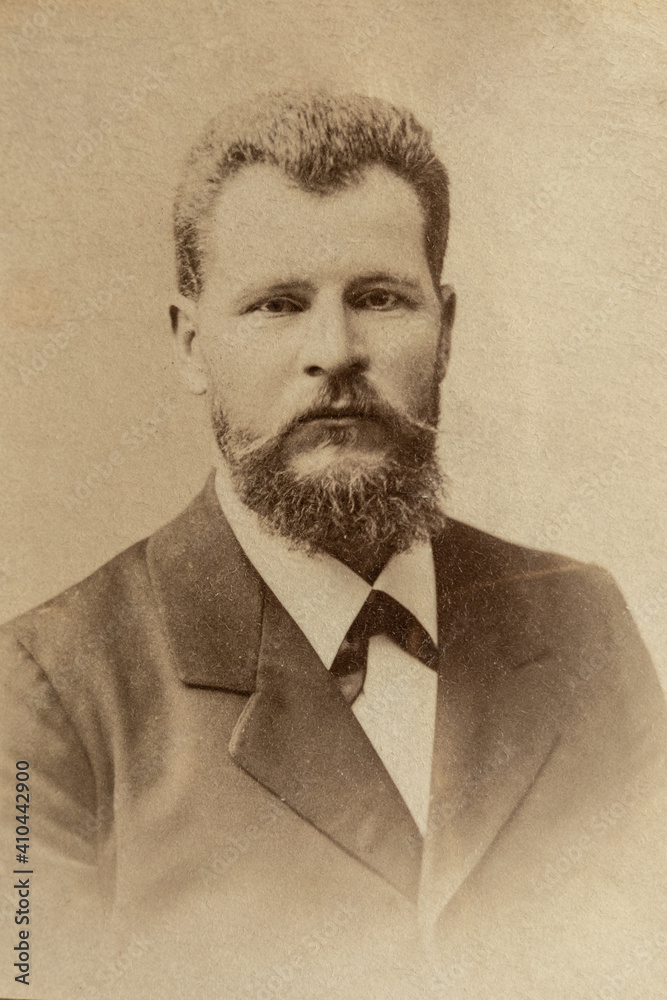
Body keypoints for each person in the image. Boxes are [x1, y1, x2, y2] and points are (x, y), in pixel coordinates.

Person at [1, 91, 665, 1000]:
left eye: (381, 298)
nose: (335, 351)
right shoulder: (52, 685)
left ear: (446, 330)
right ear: (192, 345)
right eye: (277, 304)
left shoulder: (578, 618)